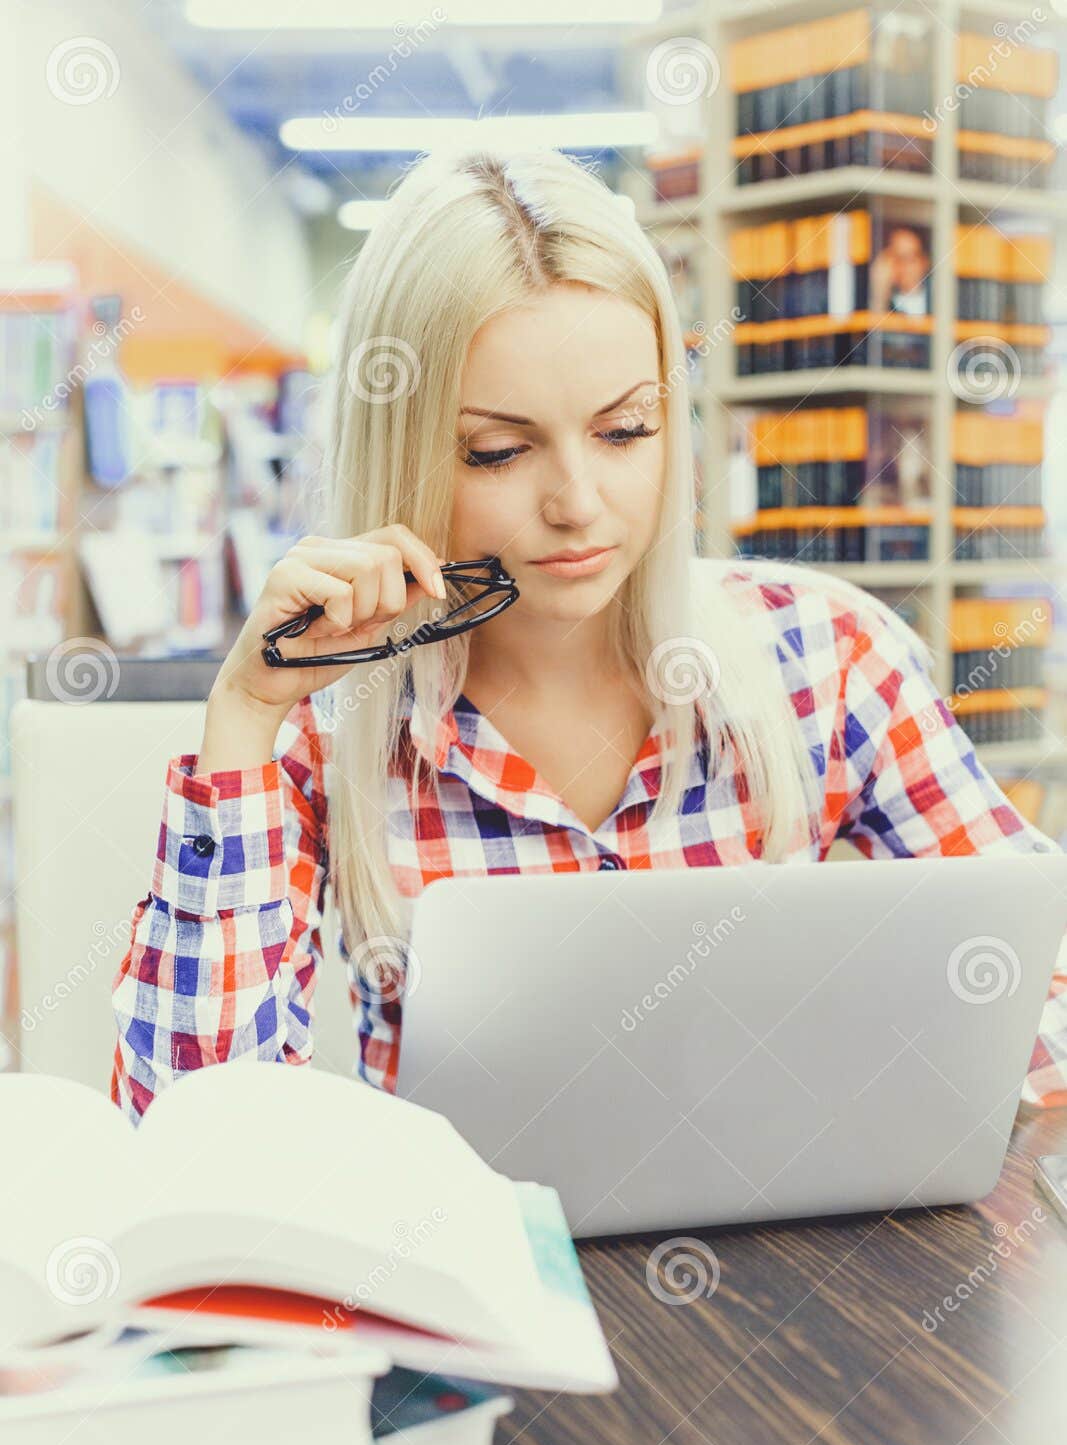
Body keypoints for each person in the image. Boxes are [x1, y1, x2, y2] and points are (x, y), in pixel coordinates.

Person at [110, 145, 1067, 1125]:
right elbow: (192, 1126)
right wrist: (241, 718)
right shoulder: (334, 719)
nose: (577, 504)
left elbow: (1039, 987)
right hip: (463, 1263)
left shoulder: (824, 658)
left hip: (781, 1251)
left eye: (624, 432)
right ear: (403, 454)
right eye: (499, 450)